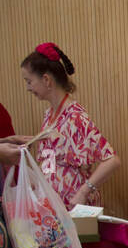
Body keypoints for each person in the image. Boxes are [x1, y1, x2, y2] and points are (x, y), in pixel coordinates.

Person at [2, 44, 119, 207]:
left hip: (75, 206)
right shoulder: (49, 115)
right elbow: (50, 158)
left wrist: (83, 192)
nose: (28, 88)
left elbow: (112, 161)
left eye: (29, 81)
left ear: (46, 80)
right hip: (55, 206)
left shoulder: (74, 117)